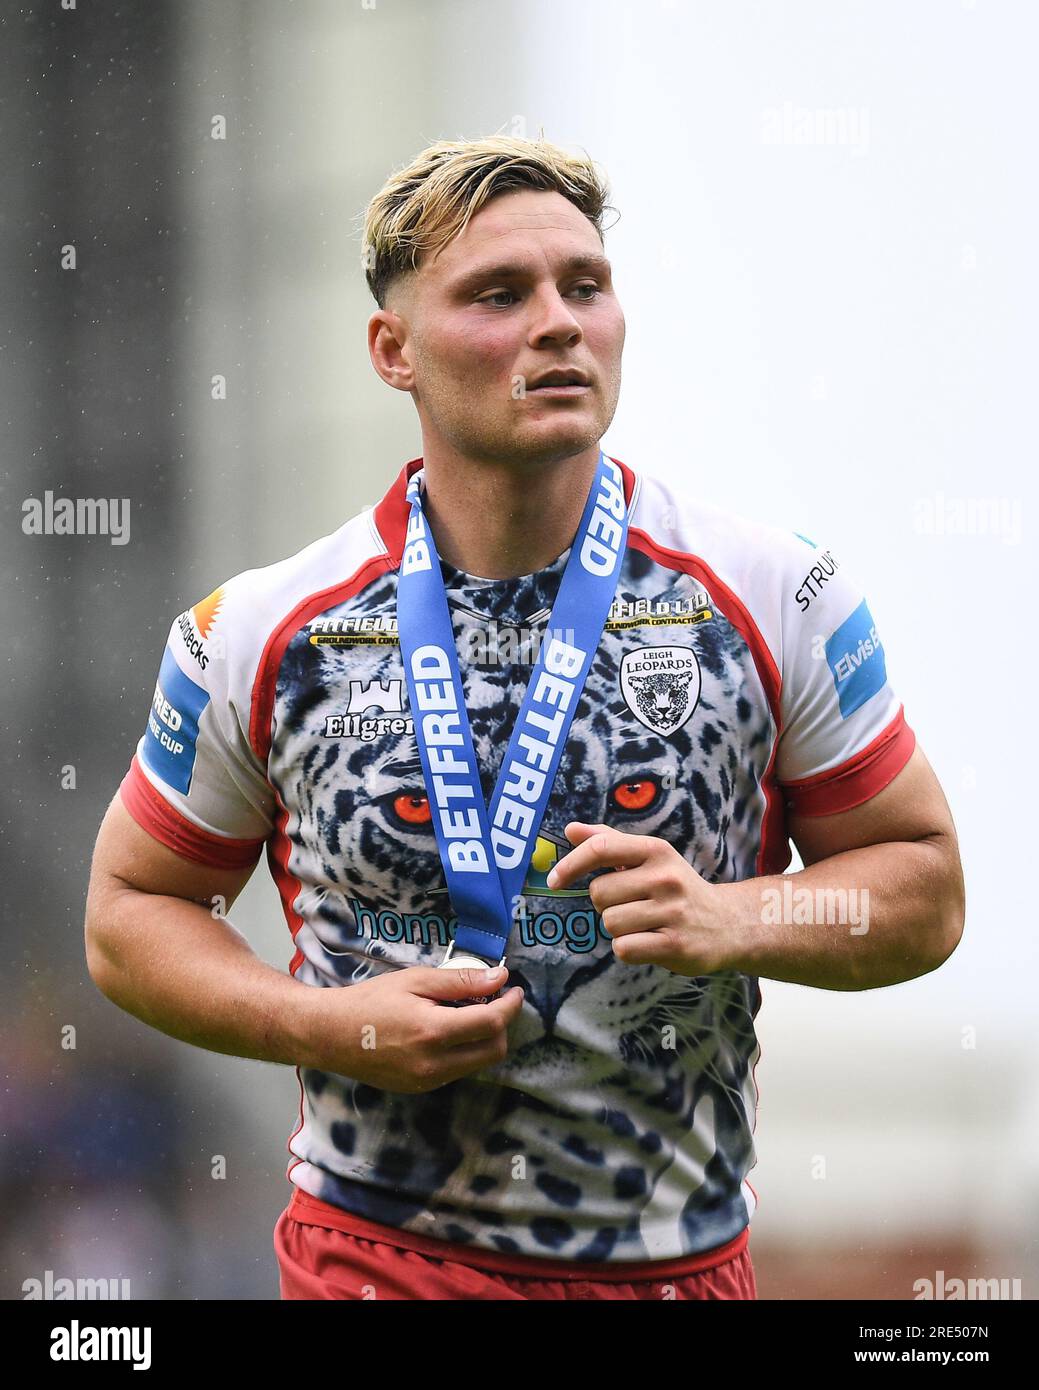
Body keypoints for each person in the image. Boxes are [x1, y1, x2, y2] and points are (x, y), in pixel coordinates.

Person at [84, 135, 966, 1302]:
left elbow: (925, 889)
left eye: (583, 286)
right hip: (374, 1261)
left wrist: (731, 917)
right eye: (500, 294)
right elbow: (129, 914)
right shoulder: (260, 630)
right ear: (392, 351)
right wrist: (326, 1022)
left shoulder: (774, 592)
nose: (558, 322)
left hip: (677, 1268)